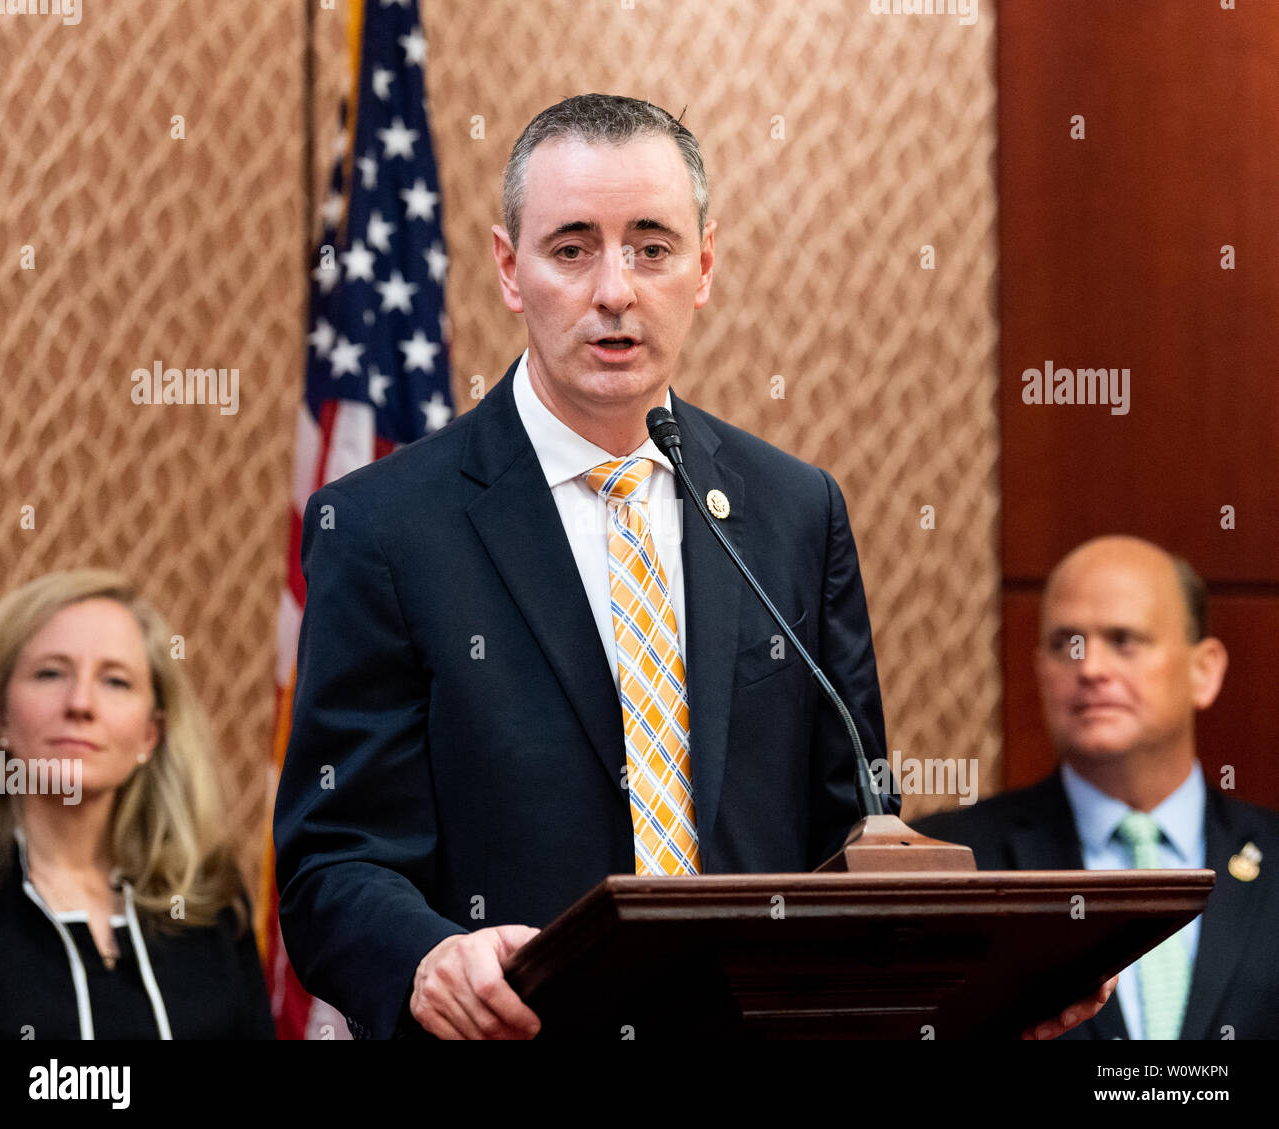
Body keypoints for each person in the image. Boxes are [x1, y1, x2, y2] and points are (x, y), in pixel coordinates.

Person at [274, 93, 1111, 1041]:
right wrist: (427, 954)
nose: (616, 290)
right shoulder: (387, 525)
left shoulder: (796, 511)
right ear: (510, 269)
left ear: (704, 265)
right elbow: (331, 862)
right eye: (573, 247)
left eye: (653, 246)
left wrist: (979, 989)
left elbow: (857, 833)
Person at [916, 536, 1279, 1039]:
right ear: (1039, 669)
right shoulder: (948, 864)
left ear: (1204, 670)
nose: (1090, 669)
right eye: (1067, 644)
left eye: (1124, 640)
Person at [0, 570, 275, 1039]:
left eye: (115, 681)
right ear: (0, 716)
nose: (81, 703)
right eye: (51, 673)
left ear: (150, 733)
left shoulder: (206, 895)